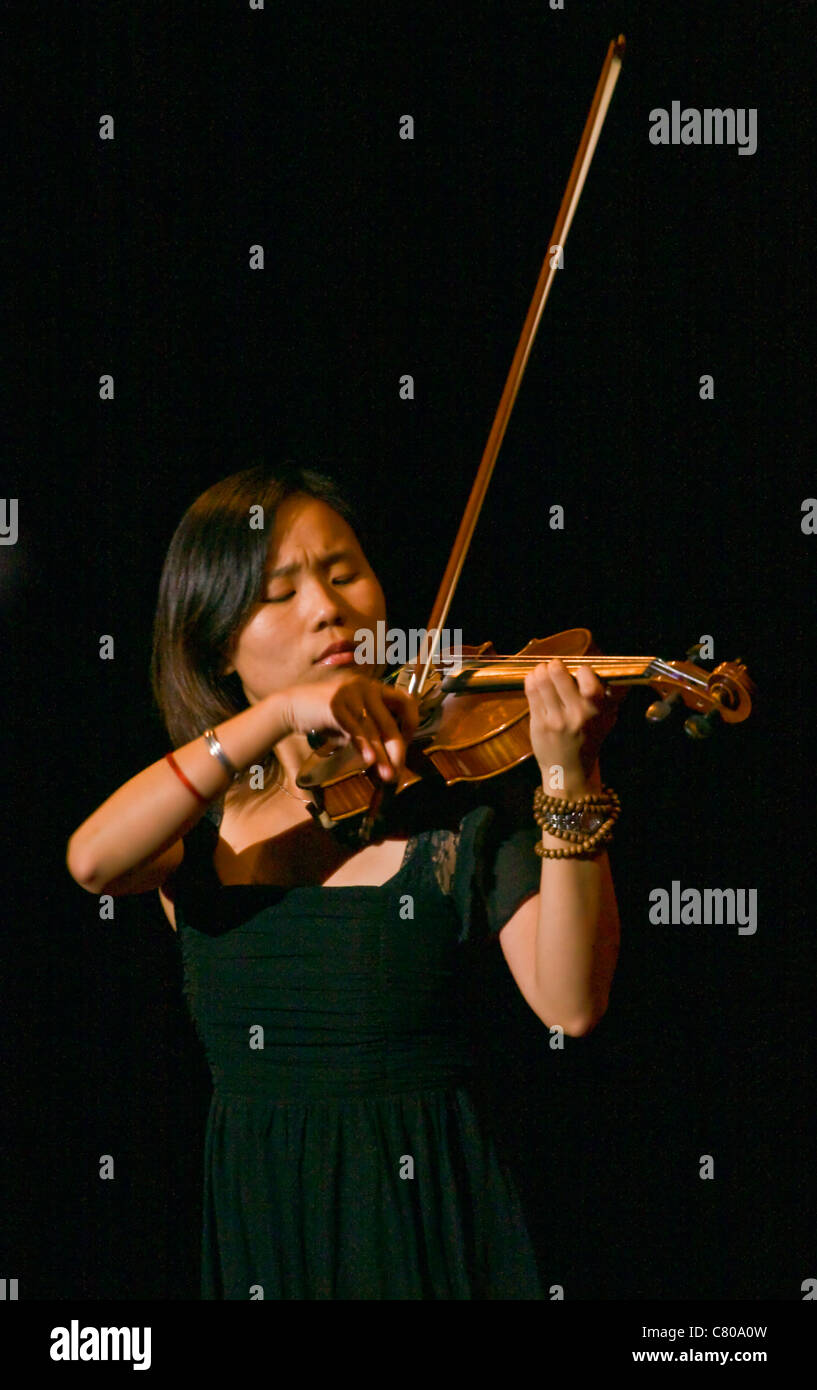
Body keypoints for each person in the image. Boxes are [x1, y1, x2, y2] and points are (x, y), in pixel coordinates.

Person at [66, 461, 624, 1300]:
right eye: (277, 592)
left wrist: (567, 780)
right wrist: (280, 716)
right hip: (267, 1225)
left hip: (433, 1215)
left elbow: (570, 1004)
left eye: (342, 574)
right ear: (219, 642)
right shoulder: (199, 824)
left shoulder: (459, 802)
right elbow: (91, 861)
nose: (326, 609)